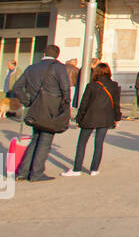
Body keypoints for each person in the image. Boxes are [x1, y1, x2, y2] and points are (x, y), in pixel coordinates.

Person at [12, 45, 71, 182]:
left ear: (44, 53)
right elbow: (65, 88)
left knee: (35, 138)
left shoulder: (31, 67)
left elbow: (17, 87)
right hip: (51, 109)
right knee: (45, 140)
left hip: (35, 108)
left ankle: (22, 172)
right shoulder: (59, 67)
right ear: (57, 55)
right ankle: (36, 173)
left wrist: (27, 101)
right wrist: (65, 105)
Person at [64, 61, 121, 177]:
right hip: (106, 118)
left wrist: (78, 119)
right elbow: (116, 104)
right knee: (99, 144)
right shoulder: (114, 85)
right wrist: (117, 118)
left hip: (90, 117)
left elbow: (84, 104)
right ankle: (94, 169)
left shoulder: (92, 85)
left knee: (82, 143)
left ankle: (77, 169)